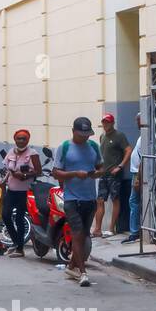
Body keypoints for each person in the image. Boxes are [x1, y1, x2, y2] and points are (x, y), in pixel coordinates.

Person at [53, 118, 102, 287]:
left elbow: (100, 167)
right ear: (73, 131)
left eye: (87, 134)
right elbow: (56, 173)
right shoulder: (64, 148)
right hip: (72, 198)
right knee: (77, 233)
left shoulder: (94, 147)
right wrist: (74, 174)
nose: (85, 138)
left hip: (90, 198)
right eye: (82, 134)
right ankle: (83, 272)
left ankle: (72, 265)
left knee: (84, 235)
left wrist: (97, 173)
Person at [1, 130, 41, 258]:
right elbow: (8, 169)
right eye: (19, 138)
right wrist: (4, 180)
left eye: (24, 139)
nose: (21, 141)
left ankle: (20, 248)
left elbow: (38, 171)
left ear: (28, 140)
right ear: (15, 139)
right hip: (11, 190)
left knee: (19, 218)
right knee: (6, 215)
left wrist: (24, 175)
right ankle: (15, 242)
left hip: (24, 192)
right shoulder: (11, 152)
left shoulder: (33, 154)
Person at [93, 113, 132, 238]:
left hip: (114, 174)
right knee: (100, 200)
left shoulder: (119, 136)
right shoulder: (102, 136)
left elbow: (128, 150)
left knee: (115, 199)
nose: (105, 124)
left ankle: (111, 229)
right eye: (104, 122)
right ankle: (97, 229)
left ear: (112, 123)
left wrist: (120, 166)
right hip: (103, 174)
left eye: (108, 122)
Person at [122, 114, 144, 245]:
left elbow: (143, 159)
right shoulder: (142, 136)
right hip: (136, 172)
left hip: (138, 173)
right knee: (135, 202)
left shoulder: (144, 137)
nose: (136, 122)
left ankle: (134, 231)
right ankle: (135, 230)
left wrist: (138, 179)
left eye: (138, 120)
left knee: (134, 201)